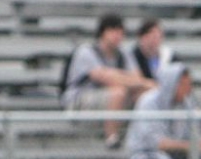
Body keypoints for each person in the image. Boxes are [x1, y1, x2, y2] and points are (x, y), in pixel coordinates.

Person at [62, 13, 156, 148]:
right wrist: (143, 82)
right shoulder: (86, 52)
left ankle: (143, 137)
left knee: (142, 94)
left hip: (110, 100)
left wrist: (137, 82)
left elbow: (137, 78)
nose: (118, 36)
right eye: (113, 31)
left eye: (121, 32)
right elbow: (104, 77)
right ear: (103, 33)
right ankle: (111, 137)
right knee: (118, 92)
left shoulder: (124, 54)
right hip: (80, 100)